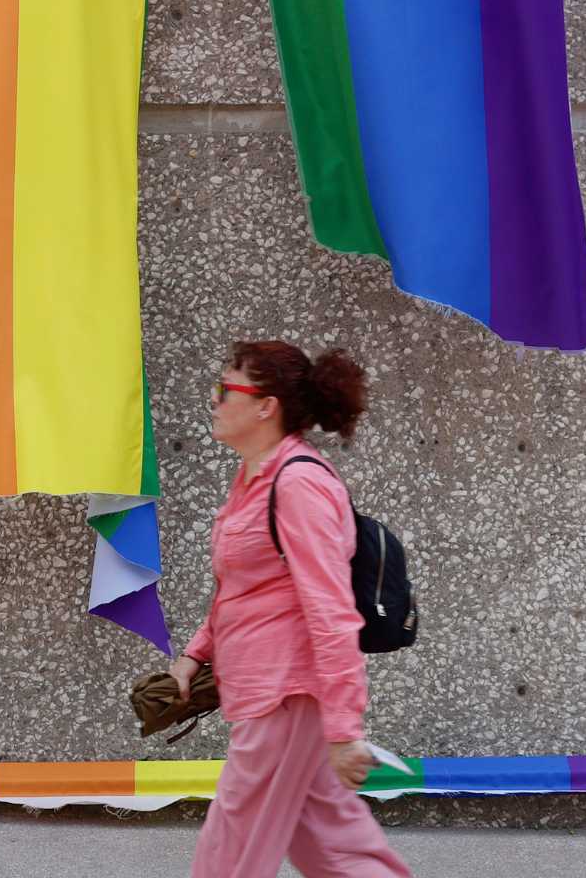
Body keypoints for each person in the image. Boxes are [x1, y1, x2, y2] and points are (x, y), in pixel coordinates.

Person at [173, 341, 412, 878]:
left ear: (266, 406)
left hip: (284, 696)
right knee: (335, 849)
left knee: (231, 853)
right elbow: (242, 587)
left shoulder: (299, 483)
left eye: (224, 389)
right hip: (271, 694)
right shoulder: (254, 478)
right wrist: (196, 654)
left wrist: (344, 729)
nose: (213, 399)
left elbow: (332, 612)